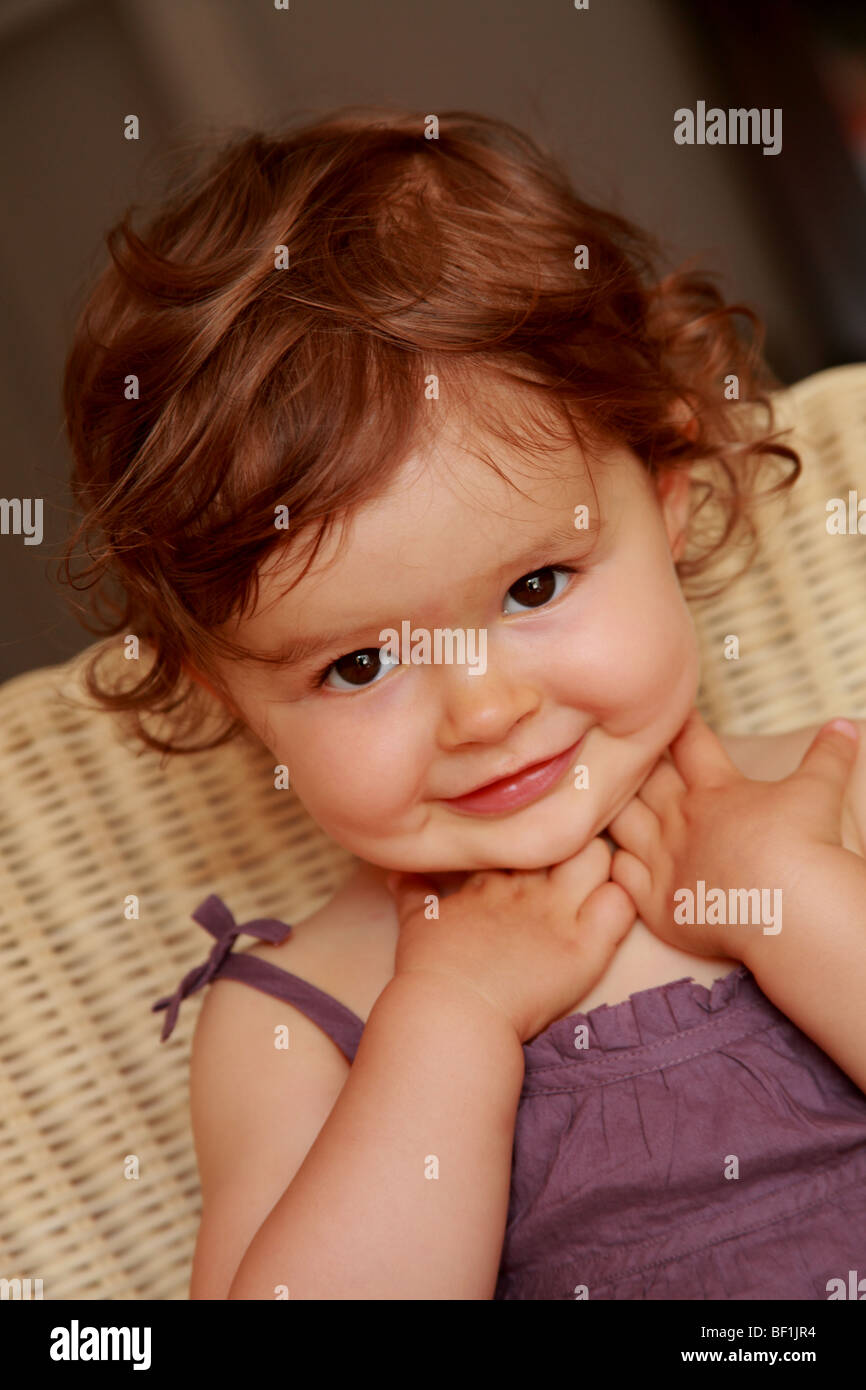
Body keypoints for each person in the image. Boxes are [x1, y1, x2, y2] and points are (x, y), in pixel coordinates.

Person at [59, 106, 866, 1300]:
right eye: (358, 665)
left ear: (673, 500)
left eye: (534, 585)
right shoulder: (300, 1013)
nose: (482, 710)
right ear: (223, 694)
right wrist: (449, 1022)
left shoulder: (836, 802)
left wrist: (792, 899)